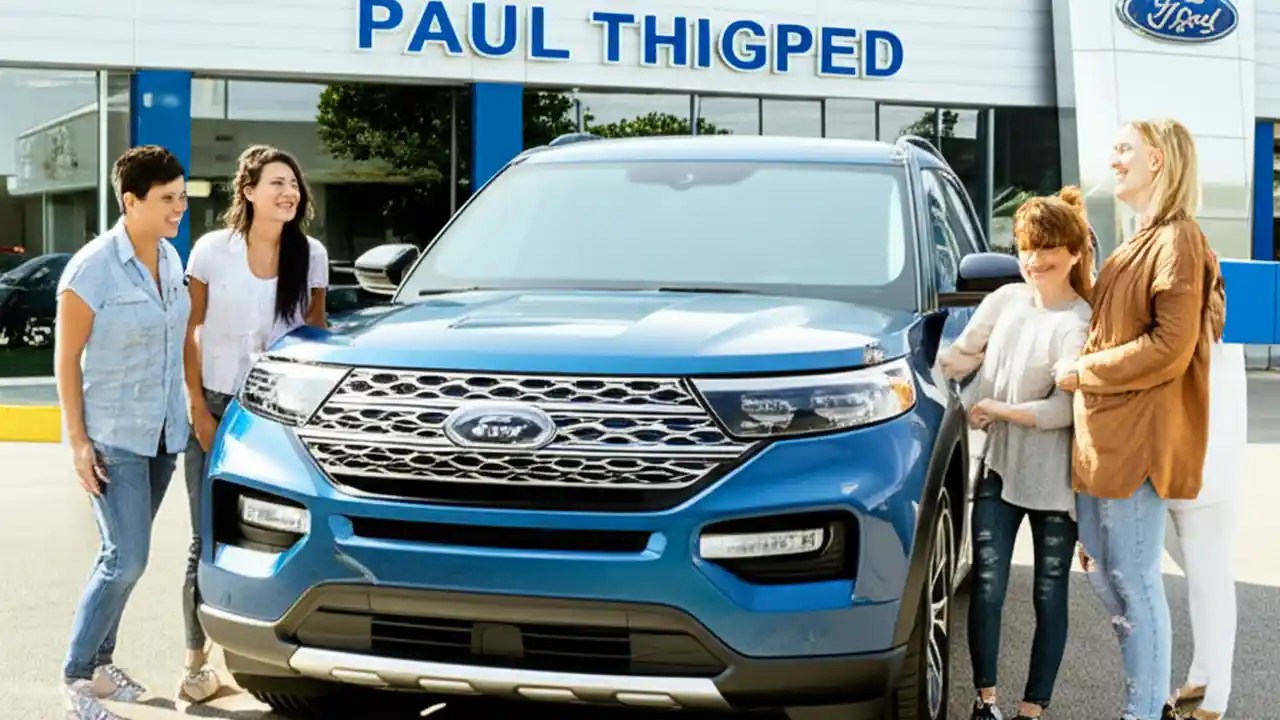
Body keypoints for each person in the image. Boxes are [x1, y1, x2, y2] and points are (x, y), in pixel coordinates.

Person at [1055, 118, 1225, 720]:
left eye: (1124, 149)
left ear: (1158, 161)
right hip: (1104, 443)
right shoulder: (1138, 240)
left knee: (1134, 579)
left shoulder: (1176, 240)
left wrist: (1085, 372)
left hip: (1137, 445)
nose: (1115, 158)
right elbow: (1108, 315)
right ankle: (1147, 695)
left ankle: (1145, 709)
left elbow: (1169, 348)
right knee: (1106, 575)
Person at [178, 144, 329, 704]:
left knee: (282, 533)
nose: (289, 192)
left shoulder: (310, 254)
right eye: (276, 183)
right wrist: (197, 408)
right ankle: (195, 665)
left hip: (278, 412)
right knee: (206, 537)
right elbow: (191, 331)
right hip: (216, 403)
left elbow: (316, 335)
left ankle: (286, 653)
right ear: (247, 191)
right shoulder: (212, 251)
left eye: (293, 183)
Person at [939, 186, 1094, 720]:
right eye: (1025, 246)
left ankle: (1033, 710)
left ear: (1074, 252)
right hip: (998, 470)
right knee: (986, 583)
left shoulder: (1079, 321)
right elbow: (958, 358)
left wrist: (997, 410)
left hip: (1054, 481)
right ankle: (987, 703)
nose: (1032, 259)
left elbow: (1060, 412)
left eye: (1045, 248)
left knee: (1049, 596)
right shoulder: (1004, 300)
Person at [55, 145, 191, 720]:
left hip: (162, 435)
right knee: (125, 559)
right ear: (129, 201)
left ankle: (102, 665)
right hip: (114, 436)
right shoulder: (91, 268)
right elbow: (66, 361)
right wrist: (78, 442)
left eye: (182, 197)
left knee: (125, 556)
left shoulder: (169, 258)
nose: (179, 208)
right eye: (167, 199)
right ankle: (76, 678)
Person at [1161, 327, 1243, 720]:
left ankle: (1215, 699)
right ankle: (1204, 675)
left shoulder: (1217, 305)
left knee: (1209, 577)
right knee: (1202, 575)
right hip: (1188, 467)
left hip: (1206, 469)